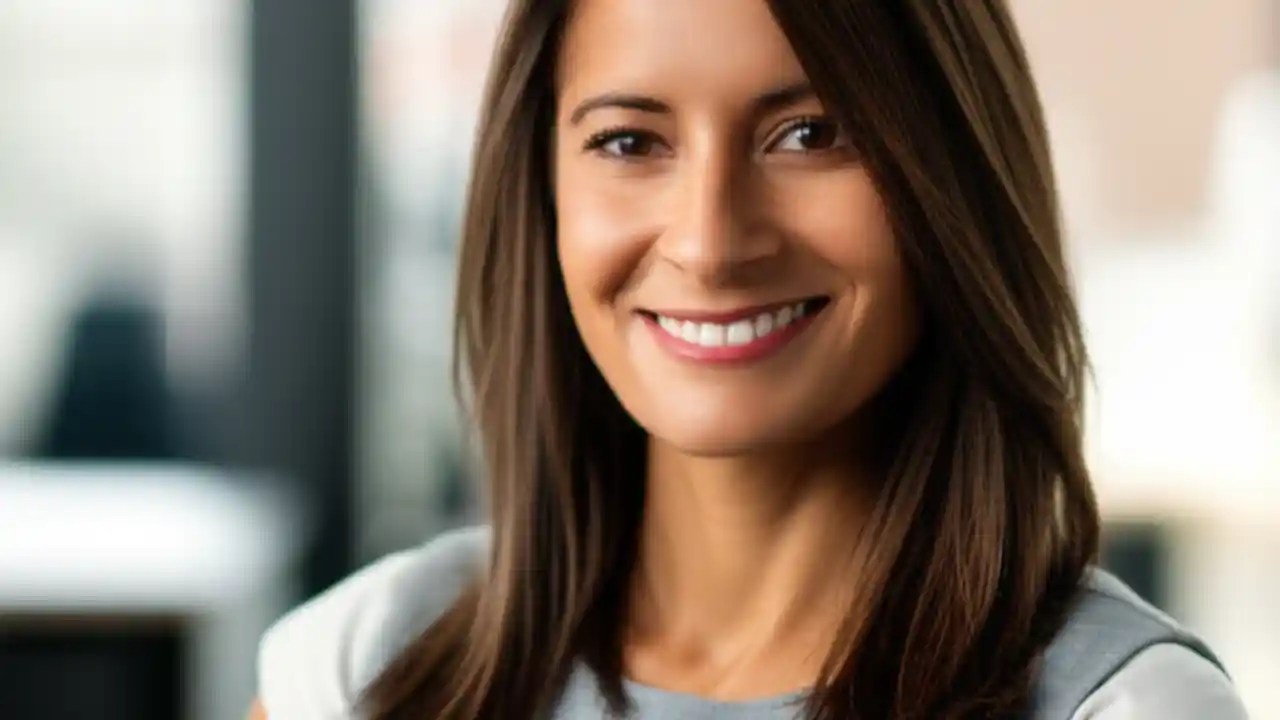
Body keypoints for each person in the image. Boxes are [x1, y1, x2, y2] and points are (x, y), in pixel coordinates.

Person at [250, 0, 1251, 717]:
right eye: (629, 142)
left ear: (949, 174)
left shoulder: (1123, 705)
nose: (709, 241)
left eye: (809, 134)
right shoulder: (362, 667)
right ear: (541, 189)